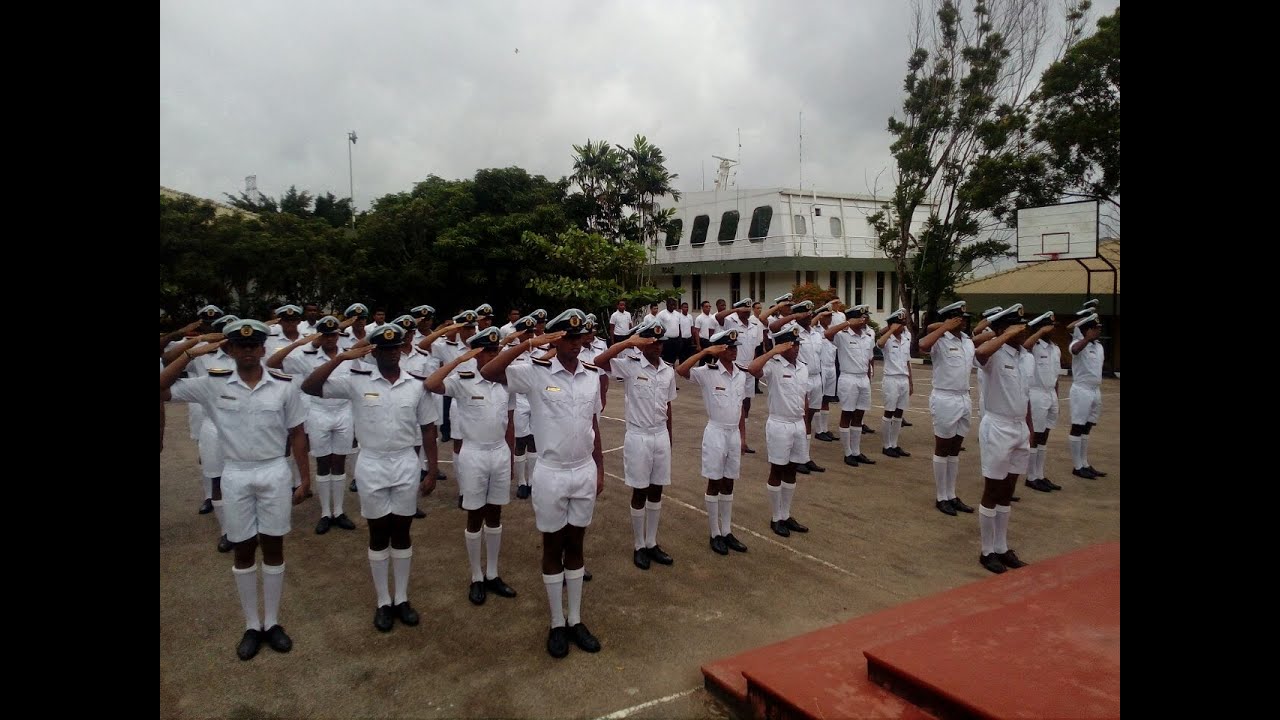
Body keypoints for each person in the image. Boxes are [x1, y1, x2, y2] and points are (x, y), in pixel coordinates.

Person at [161, 319, 311, 661]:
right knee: (243, 548)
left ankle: (272, 622)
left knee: (273, 545)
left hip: (274, 470)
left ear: (262, 349)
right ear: (229, 349)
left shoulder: (284, 385)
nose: (247, 350)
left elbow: (298, 434)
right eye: (239, 345)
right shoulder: (211, 384)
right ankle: (251, 624)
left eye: (253, 345)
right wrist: (187, 353)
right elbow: (162, 387)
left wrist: (305, 478)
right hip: (237, 472)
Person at [479, 309, 604, 659]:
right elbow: (488, 371)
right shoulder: (534, 373)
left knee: (577, 544)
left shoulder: (591, 376)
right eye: (569, 338)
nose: (577, 344)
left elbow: (593, 425)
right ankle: (556, 622)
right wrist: (530, 343)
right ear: (554, 338)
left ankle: (576, 618)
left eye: (580, 339)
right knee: (552, 546)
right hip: (550, 472)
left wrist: (601, 465)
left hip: (582, 470)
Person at [301, 323, 439, 633]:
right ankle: (382, 601)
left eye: (396, 347)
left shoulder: (416, 384)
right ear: (373, 351)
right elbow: (310, 386)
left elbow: (429, 428)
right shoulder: (355, 381)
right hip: (373, 462)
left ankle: (401, 598)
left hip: (405, 461)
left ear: (402, 348)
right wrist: (342, 357)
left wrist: (431, 470)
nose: (391, 352)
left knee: (402, 531)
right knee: (378, 533)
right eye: (384, 348)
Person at [427, 326, 519, 605]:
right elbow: (431, 385)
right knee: (474, 515)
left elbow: (510, 422)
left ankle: (492, 573)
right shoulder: (463, 380)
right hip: (474, 453)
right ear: (477, 353)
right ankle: (476, 576)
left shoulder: (505, 382)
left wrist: (512, 457)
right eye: (488, 350)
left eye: (497, 350)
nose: (494, 354)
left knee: (495, 514)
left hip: (499, 453)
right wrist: (457, 361)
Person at [590, 317, 678, 570]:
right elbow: (599, 362)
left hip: (660, 434)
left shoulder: (667, 370)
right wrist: (628, 342)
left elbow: (668, 406)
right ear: (641, 344)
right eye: (651, 342)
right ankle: (639, 544)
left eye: (660, 342)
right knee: (639, 491)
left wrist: (669, 439)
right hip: (638, 435)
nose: (658, 346)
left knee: (657, 489)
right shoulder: (630, 366)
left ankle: (652, 542)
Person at [267, 315, 359, 534]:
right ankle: (325, 512)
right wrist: (299, 343)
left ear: (338, 335)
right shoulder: (306, 356)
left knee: (339, 461)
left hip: (344, 411)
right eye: (325, 335)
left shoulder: (348, 356)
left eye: (333, 334)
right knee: (323, 462)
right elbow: (271, 364)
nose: (330, 339)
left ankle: (339, 510)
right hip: (318, 411)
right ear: (319, 336)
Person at [677, 329, 750, 555]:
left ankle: (727, 531)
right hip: (716, 432)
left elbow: (740, 409)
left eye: (735, 347)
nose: (734, 351)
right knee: (714, 481)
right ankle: (714, 532)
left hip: (733, 433)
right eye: (729, 347)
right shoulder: (708, 372)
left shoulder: (741, 374)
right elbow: (681, 370)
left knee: (729, 482)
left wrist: (743, 437)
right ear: (720, 350)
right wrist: (705, 351)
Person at [973, 304, 1033, 574]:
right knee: (993, 490)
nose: (1022, 330)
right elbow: (980, 351)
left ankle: (1001, 546)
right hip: (997, 426)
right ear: (1001, 329)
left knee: (1008, 491)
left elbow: (1025, 395)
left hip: (1019, 428)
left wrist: (1028, 427)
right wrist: (1005, 336)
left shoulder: (1026, 357)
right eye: (1015, 326)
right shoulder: (994, 355)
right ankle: (987, 551)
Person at [747, 321, 811, 538]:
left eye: (797, 345)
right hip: (779, 424)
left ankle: (786, 514)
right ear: (783, 347)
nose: (796, 349)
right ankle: (776, 517)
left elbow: (805, 397)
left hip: (798, 424)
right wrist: (773, 350)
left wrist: (805, 423)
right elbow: (752, 369)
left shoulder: (802, 367)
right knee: (777, 470)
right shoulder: (773, 366)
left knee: (792, 470)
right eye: (792, 346)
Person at [918, 302, 977, 516]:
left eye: (964, 318)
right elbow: (922, 345)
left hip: (963, 397)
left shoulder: (968, 342)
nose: (963, 321)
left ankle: (952, 494)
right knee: (942, 448)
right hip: (944, 398)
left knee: (954, 450)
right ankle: (941, 496)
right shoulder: (940, 340)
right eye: (957, 318)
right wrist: (943, 327)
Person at [825, 305, 877, 467]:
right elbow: (827, 334)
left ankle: (856, 450)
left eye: (864, 317)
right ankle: (848, 452)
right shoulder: (842, 335)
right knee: (847, 415)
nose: (864, 320)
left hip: (863, 379)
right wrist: (846, 324)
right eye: (860, 318)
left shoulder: (868, 335)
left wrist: (868, 379)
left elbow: (869, 359)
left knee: (859, 416)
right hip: (848, 378)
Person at [1021, 312, 1061, 492]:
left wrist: (1056, 396)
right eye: (1049, 327)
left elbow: (1056, 375)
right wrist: (1038, 331)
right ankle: (1031, 476)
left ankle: (1040, 474)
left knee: (1045, 435)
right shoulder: (1034, 346)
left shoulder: (1056, 348)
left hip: (1050, 393)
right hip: (1036, 393)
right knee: (1035, 436)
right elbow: (1025, 345)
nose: (1052, 330)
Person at [1068, 312, 1107, 479]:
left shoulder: (1098, 346)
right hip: (1081, 390)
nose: (1098, 331)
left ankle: (1084, 463)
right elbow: (1075, 350)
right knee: (1077, 426)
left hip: (1095, 390)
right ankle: (1077, 466)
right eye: (1095, 328)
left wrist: (1091, 339)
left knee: (1087, 427)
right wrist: (1086, 338)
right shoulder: (1077, 343)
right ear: (1088, 330)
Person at [877, 308, 914, 458]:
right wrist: (890, 330)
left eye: (903, 323)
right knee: (889, 412)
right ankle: (886, 445)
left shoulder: (907, 337)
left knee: (899, 413)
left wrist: (911, 381)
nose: (902, 326)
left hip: (903, 379)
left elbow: (908, 361)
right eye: (899, 323)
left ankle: (894, 443)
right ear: (892, 325)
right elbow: (879, 343)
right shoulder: (887, 339)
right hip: (891, 379)